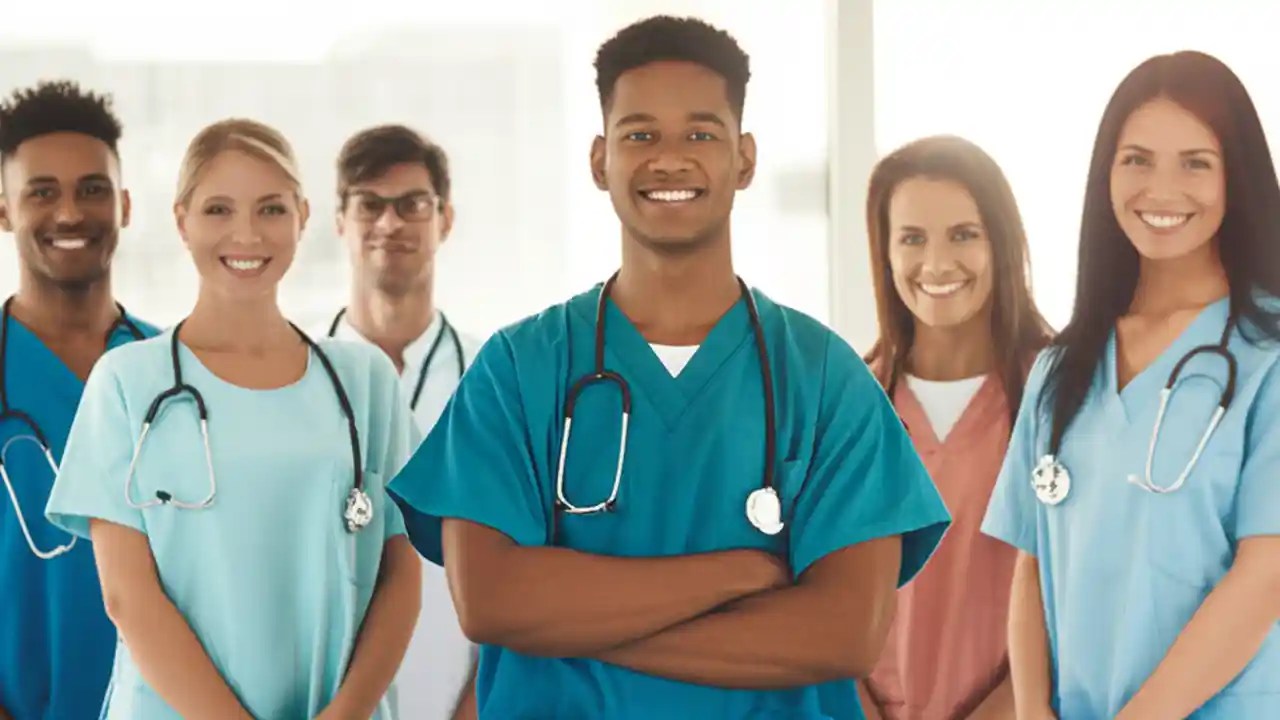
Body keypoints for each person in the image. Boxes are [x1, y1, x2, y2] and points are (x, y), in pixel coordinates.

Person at [387, 15, 951, 719]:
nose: (670, 159)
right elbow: (493, 602)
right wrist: (738, 574)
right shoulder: (518, 370)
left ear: (744, 158)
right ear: (601, 160)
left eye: (702, 134)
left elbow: (843, 634)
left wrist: (574, 625)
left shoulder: (825, 379)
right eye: (640, 134)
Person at [44, 118, 421, 718]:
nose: (246, 234)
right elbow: (127, 596)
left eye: (271, 209)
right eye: (219, 209)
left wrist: (346, 713)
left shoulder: (364, 381)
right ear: (181, 221)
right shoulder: (126, 383)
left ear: (302, 216)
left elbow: (400, 576)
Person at [982, 51, 1280, 719]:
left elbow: (1267, 577)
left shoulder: (1269, 357)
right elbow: (1033, 570)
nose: (1161, 189)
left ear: (1238, 178)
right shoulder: (1062, 370)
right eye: (1137, 159)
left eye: (1195, 162)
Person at [854, 135, 1053, 720]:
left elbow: (1084, 595)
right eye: (912, 238)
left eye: (963, 235)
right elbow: (821, 601)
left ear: (1001, 242)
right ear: (885, 252)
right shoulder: (848, 405)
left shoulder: (1059, 392)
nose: (937, 265)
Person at [0, 80, 158, 720]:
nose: (70, 213)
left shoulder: (177, 373)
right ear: (4, 207)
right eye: (42, 192)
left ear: (123, 204)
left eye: (92, 190)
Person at [328, 125, 483, 719]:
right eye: (369, 203)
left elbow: (527, 566)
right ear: (339, 220)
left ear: (445, 219)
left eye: (412, 204)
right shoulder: (294, 376)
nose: (390, 223)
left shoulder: (495, 381)